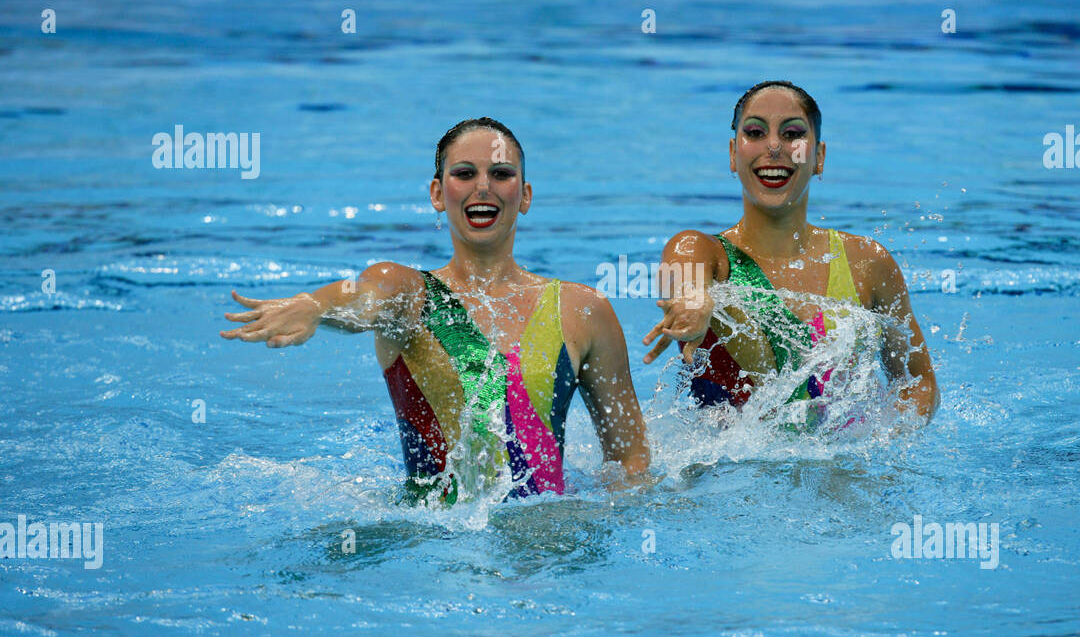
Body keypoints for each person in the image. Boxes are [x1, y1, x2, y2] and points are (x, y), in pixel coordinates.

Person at [221, 117, 651, 502]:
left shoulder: (583, 310)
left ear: (525, 195)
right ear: (437, 193)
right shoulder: (409, 293)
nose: (483, 187)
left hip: (548, 551)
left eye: (501, 174)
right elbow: (363, 298)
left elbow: (631, 459)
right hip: (436, 552)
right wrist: (316, 305)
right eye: (464, 174)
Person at [642, 81, 939, 424]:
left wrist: (890, 439)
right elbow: (687, 277)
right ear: (733, 155)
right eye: (754, 132)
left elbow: (918, 383)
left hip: (840, 474)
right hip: (726, 473)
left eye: (792, 134)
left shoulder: (867, 263)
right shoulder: (702, 251)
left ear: (819, 158)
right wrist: (696, 300)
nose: (773, 147)